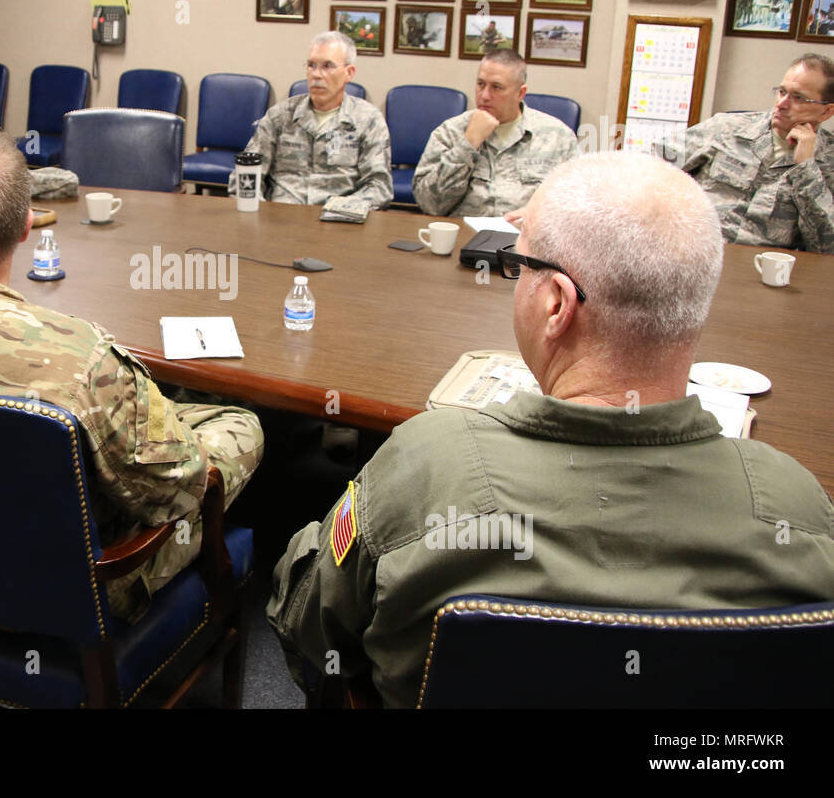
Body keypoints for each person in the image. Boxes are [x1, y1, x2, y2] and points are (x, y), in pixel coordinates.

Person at [268, 152, 834, 707]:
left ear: (557, 304)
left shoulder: (425, 466)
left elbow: (312, 624)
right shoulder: (797, 508)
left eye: (518, 266)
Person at [0, 121, 264, 619]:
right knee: (239, 423)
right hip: (69, 592)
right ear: (24, 227)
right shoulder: (80, 360)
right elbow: (177, 489)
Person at [653, 53, 834, 254]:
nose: (782, 104)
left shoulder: (828, 161)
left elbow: (827, 248)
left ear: (826, 112)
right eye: (782, 92)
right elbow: (647, 165)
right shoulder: (726, 129)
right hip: (691, 253)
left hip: (760, 271)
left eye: (798, 97)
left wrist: (805, 169)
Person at [228, 30, 392, 209]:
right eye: (311, 65)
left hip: (339, 221)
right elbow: (245, 174)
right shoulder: (280, 116)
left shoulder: (368, 120)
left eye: (327, 66)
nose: (316, 75)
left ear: (349, 73)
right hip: (280, 219)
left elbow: (379, 187)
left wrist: (341, 209)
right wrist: (258, 213)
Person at [413, 49, 579, 216]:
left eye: (496, 87)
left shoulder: (558, 137)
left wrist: (534, 218)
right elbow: (429, 205)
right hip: (465, 237)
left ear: (520, 93)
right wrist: (468, 143)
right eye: (480, 84)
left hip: (524, 237)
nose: (484, 95)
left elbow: (575, 205)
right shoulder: (451, 131)